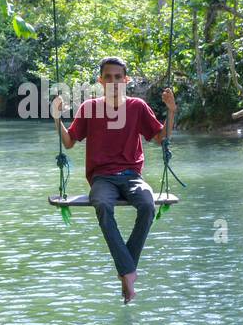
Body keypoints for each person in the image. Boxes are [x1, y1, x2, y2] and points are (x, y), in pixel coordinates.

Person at [52, 57, 177, 302]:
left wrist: (171, 111)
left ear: (126, 80)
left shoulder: (137, 107)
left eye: (118, 77)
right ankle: (129, 273)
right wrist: (57, 118)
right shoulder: (89, 108)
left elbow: (162, 138)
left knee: (147, 204)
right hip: (102, 178)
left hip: (132, 176)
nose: (113, 82)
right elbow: (68, 143)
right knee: (102, 205)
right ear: (100, 81)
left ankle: (126, 271)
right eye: (108, 77)